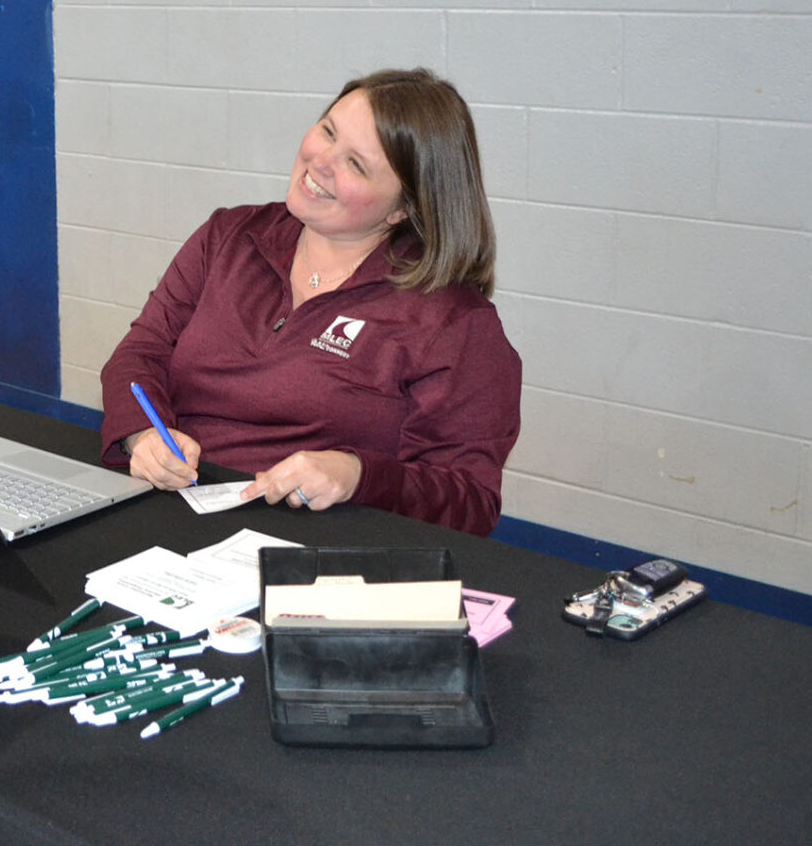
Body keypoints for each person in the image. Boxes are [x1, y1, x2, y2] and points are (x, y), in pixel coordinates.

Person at [98, 68, 521, 537]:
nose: (320, 161)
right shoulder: (228, 237)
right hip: (170, 509)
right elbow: (140, 354)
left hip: (314, 548)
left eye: (357, 164)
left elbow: (469, 501)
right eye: (328, 131)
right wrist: (143, 435)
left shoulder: (454, 322)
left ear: (404, 208)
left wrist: (357, 475)